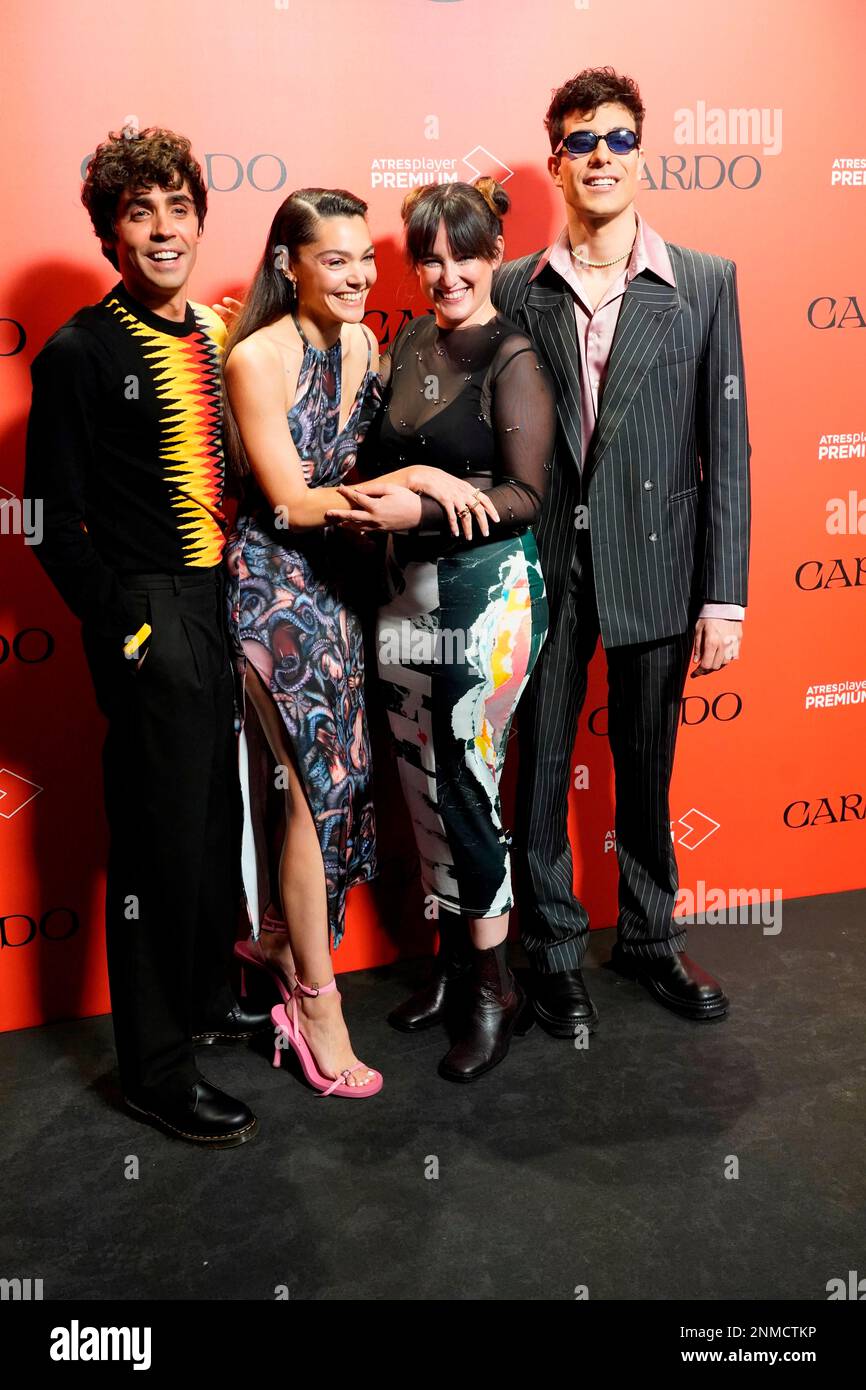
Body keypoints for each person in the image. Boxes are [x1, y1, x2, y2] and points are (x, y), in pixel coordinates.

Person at [490, 67, 751, 1032]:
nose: (601, 156)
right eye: (581, 141)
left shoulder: (704, 284)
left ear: (642, 154)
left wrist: (724, 596)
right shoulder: (516, 286)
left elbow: (727, 449)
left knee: (648, 767)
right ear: (556, 159)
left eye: (619, 140)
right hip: (545, 568)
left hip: (657, 562)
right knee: (542, 764)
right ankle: (550, 950)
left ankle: (648, 940)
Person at [23, 123, 268, 1148]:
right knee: (156, 850)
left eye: (178, 208)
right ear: (110, 232)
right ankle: (155, 1070)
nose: (163, 229)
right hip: (150, 613)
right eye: (139, 212)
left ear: (200, 220)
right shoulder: (83, 349)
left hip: (223, 607)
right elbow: (47, 516)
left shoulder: (217, 337)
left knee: (212, 830)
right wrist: (124, 625)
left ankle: (206, 1001)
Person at [222, 188, 493, 1096]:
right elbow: (295, 501)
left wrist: (407, 474)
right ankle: (314, 1003)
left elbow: (359, 464)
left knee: (340, 785)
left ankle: (273, 945)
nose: (356, 276)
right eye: (333, 260)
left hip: (341, 587)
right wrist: (415, 476)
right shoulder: (256, 357)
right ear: (286, 263)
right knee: (310, 789)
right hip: (271, 591)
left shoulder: (362, 342)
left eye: (362, 260)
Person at [328, 179, 556, 1081]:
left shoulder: (514, 355)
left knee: (465, 785)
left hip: (484, 599)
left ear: (493, 253)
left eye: (463, 253)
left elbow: (524, 497)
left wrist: (416, 509)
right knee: (424, 784)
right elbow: (389, 462)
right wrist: (422, 478)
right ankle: (453, 967)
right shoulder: (413, 337)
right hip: (402, 596)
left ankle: (498, 990)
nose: (446, 271)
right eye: (429, 255)